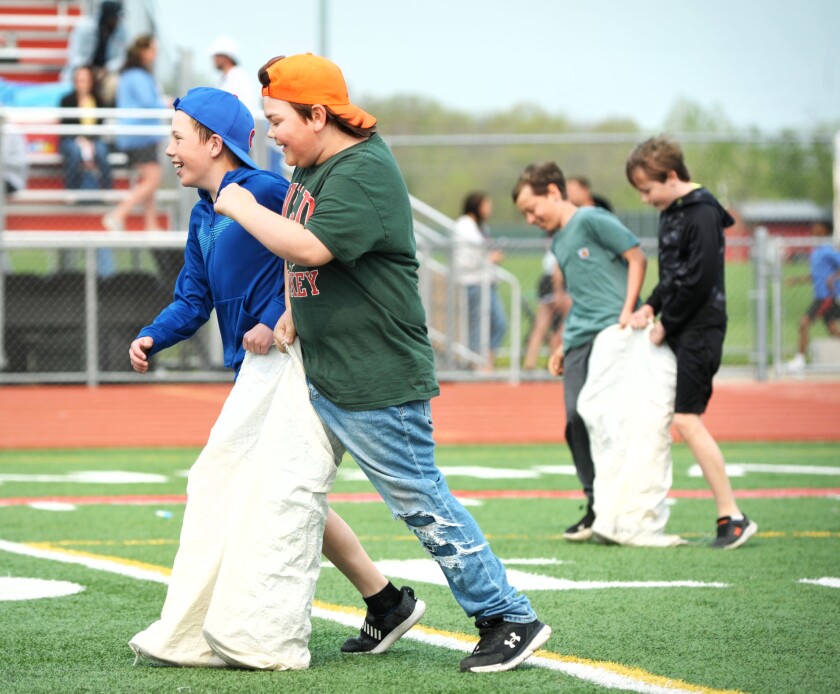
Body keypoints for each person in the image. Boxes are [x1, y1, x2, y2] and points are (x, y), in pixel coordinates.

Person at [214, 52, 551, 673]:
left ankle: (508, 616)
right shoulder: (312, 166)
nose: (271, 134)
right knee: (284, 488)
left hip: (374, 375)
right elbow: (304, 256)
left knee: (420, 500)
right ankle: (386, 604)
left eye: (278, 120)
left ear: (318, 116)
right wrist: (292, 311)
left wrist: (237, 204)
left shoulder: (361, 169)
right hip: (325, 369)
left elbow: (310, 246)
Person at [128, 88, 424, 666]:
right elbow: (193, 298)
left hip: (291, 359)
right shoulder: (204, 213)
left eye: (178, 138)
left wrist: (272, 318)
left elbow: (317, 258)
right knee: (272, 488)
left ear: (215, 143)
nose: (169, 150)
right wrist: (153, 336)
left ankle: (259, 631)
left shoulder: (265, 190)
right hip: (255, 368)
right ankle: (386, 601)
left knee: (257, 485)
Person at [625, 135, 757, 549]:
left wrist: (666, 322)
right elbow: (673, 276)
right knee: (671, 417)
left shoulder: (701, 213)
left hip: (700, 329)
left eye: (647, 189)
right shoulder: (673, 210)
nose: (645, 198)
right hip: (682, 326)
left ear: (670, 176)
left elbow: (699, 278)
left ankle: (733, 515)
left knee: (686, 420)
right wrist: (651, 306)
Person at [512, 161, 646, 541]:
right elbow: (581, 296)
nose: (530, 219)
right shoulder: (558, 240)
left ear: (553, 192)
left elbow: (637, 257)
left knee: (610, 421)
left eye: (532, 209)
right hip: (579, 339)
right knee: (575, 420)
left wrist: (628, 309)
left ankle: (622, 506)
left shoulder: (591, 219)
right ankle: (595, 503)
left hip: (613, 334)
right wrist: (564, 343)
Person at [104, 34, 167, 233]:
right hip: (140, 135)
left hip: (140, 134)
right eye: (152, 50)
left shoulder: (132, 75)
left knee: (149, 180)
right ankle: (118, 214)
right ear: (142, 51)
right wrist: (166, 102)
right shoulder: (137, 76)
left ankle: (151, 224)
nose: (155, 55)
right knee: (153, 179)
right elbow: (148, 102)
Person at [453, 191, 508, 370]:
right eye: (486, 205)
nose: (489, 209)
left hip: (487, 282)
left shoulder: (481, 227)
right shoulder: (464, 225)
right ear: (476, 205)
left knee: (498, 323)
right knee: (477, 326)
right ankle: (477, 364)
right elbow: (465, 258)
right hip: (473, 282)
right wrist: (489, 259)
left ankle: (486, 363)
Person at [786, 220, 840, 371]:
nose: (814, 230)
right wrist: (796, 280)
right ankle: (800, 359)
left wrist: (833, 278)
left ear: (825, 231)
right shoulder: (815, 251)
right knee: (833, 331)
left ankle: (800, 359)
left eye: (818, 228)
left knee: (803, 324)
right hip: (820, 296)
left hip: (826, 297)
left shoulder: (828, 250)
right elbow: (816, 276)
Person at [61, 1, 127, 105]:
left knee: (116, 83)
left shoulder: (121, 31)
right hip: (82, 68)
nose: (116, 21)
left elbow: (120, 58)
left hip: (105, 73)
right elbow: (75, 54)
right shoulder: (84, 27)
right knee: (82, 79)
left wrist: (106, 70)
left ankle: (104, 111)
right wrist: (88, 71)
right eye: (113, 18)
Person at [59, 65, 113, 190]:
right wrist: (80, 140)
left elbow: (100, 126)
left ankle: (108, 190)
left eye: (85, 80)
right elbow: (65, 127)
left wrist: (90, 141)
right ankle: (71, 190)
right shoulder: (66, 100)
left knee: (102, 151)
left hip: (94, 139)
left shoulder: (98, 101)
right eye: (79, 80)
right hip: (71, 139)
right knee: (74, 151)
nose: (82, 84)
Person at [208, 36, 256, 106]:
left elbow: (247, 104)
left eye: (218, 56)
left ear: (227, 57)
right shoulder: (223, 79)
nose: (215, 59)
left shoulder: (239, 76)